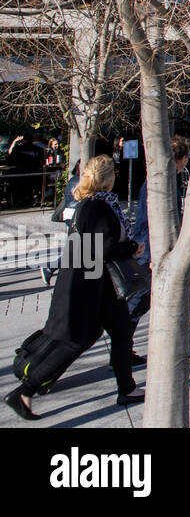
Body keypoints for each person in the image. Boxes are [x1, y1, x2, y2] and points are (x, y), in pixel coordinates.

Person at [6, 156, 142, 421]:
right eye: (113, 172)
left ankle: (127, 388)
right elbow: (101, 249)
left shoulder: (89, 204)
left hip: (93, 282)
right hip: (87, 285)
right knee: (76, 340)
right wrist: (131, 248)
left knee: (121, 330)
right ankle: (24, 391)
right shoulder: (97, 207)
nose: (116, 175)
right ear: (106, 178)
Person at [130, 136, 190, 358]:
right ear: (182, 158)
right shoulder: (162, 183)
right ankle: (122, 348)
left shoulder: (163, 180)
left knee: (170, 290)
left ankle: (186, 334)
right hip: (151, 248)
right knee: (142, 299)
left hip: (153, 245)